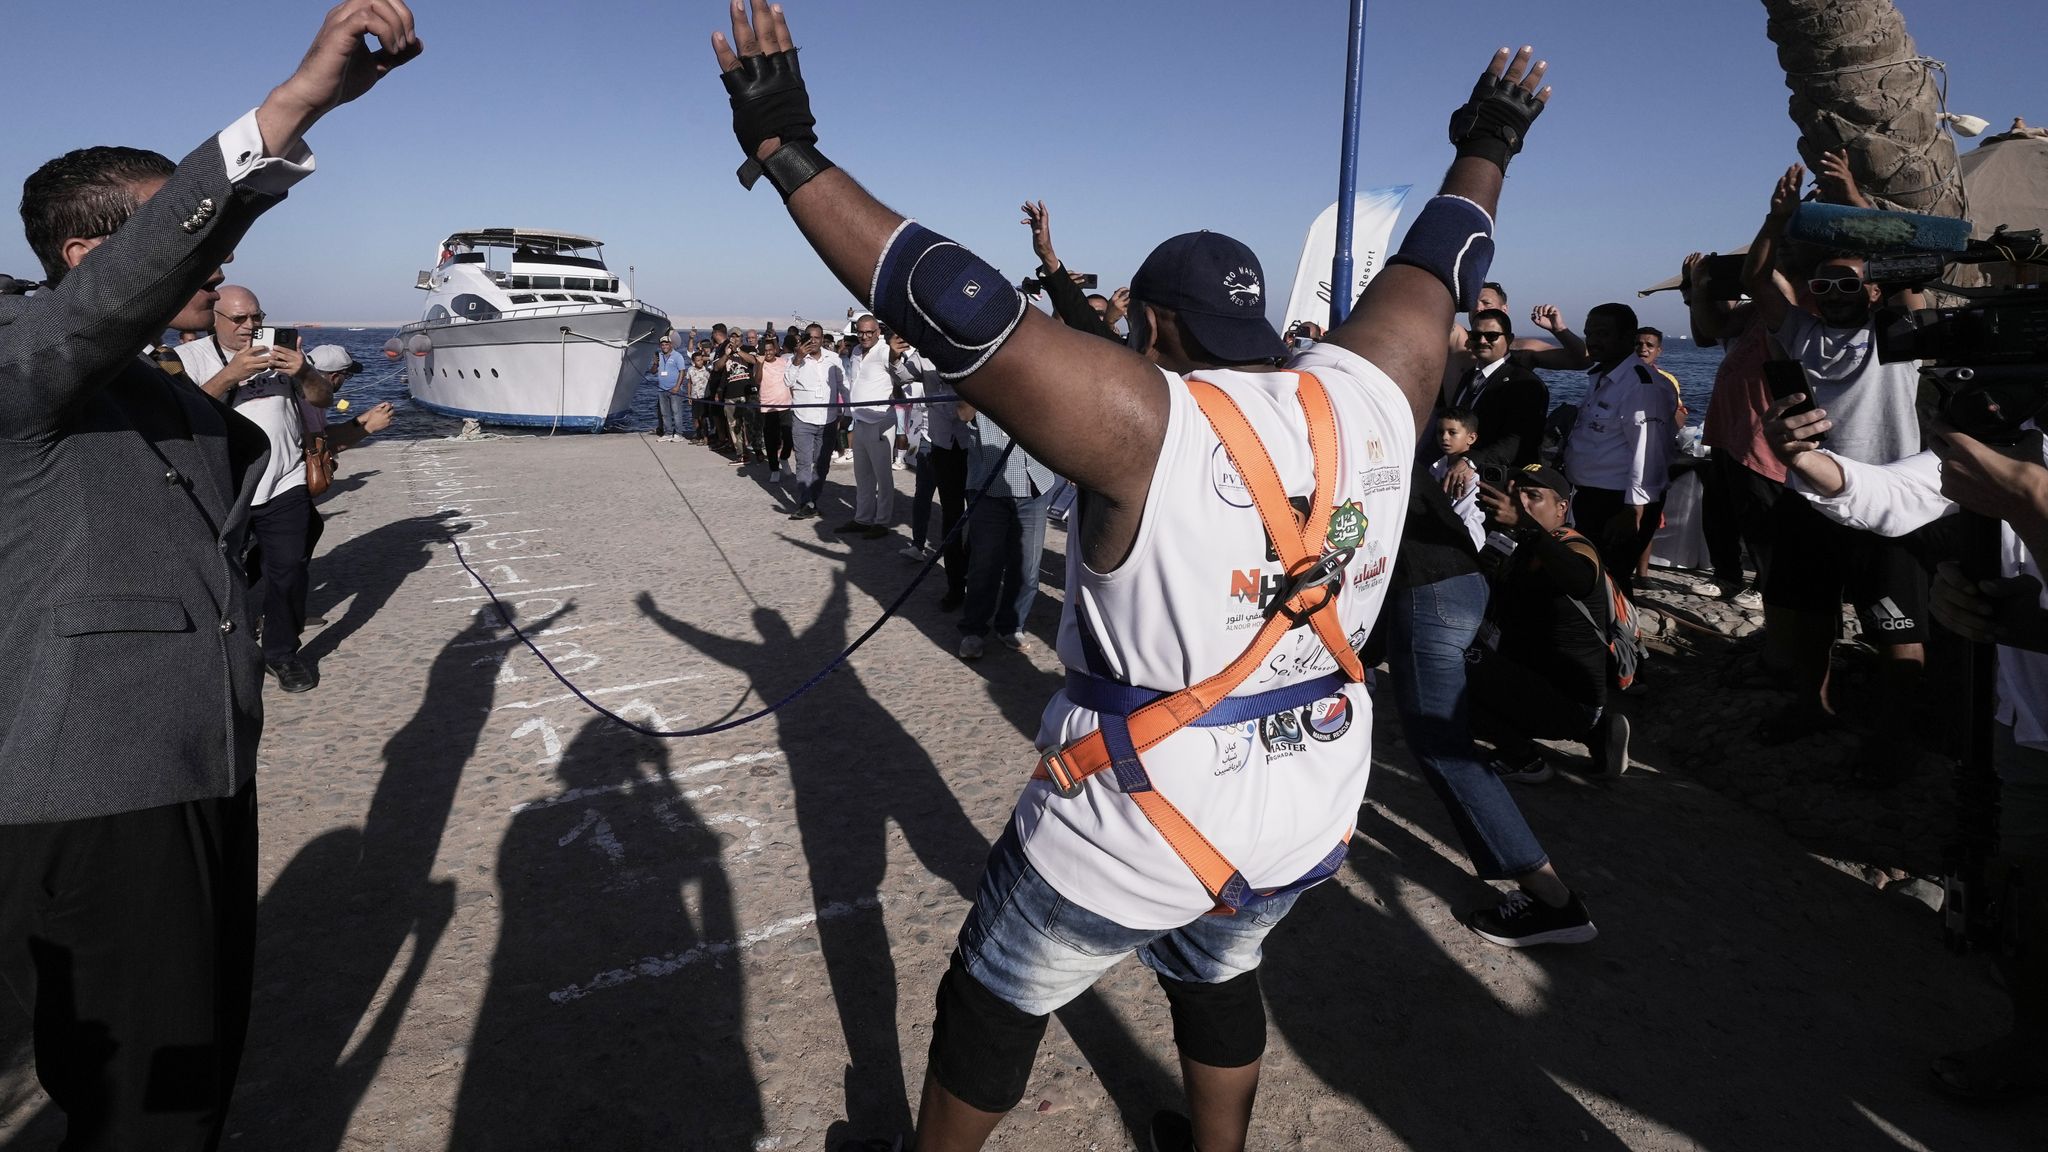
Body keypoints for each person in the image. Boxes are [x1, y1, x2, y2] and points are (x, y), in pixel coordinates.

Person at [710, 7, 1551, 1147]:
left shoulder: (1149, 422)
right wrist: (1489, 138)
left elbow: (954, 305)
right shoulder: (1372, 393)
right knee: (1214, 966)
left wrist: (782, 145)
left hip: (1137, 818)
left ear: (1152, 325)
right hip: (1306, 807)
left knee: (992, 997)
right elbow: (1443, 257)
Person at [0, 4, 418, 1146]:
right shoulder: (19, 353)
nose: (219, 260)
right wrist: (294, 109)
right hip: (95, 786)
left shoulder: (159, 384)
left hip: (196, 765)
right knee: (147, 1110)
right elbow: (83, 322)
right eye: (182, 240)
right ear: (94, 261)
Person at [1766, 398, 2048, 1102]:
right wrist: (1806, 462)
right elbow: (1893, 496)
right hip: (2029, 724)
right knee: (2027, 898)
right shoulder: (2024, 434)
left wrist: (2033, 504)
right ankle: (2033, 1043)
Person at [1742, 163, 1928, 764]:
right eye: (1822, 286)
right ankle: (1810, 708)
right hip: (1812, 499)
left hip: (1889, 505)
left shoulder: (1900, 331)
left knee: (1897, 631)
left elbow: (1903, 259)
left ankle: (1895, 739)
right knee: (1808, 617)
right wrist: (1776, 219)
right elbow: (1757, 280)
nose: (1834, 294)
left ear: (1875, 290)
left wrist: (1851, 199)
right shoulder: (1802, 334)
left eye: (1848, 284)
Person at [1379, 462, 1598, 946]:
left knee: (1441, 743)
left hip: (1427, 589)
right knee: (1444, 727)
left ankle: (1551, 900)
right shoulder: (1375, 417)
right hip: (1454, 581)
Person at [176, 287, 325, 692]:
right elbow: (179, 417)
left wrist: (305, 372)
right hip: (223, 487)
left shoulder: (284, 352)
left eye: (256, 317)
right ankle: (227, 650)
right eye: (239, 319)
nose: (251, 327)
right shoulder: (188, 359)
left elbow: (323, 398)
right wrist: (230, 375)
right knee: (221, 576)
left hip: (284, 479)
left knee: (290, 569)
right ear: (215, 318)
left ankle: (282, 654)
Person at [1473, 465, 1632, 783]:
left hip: (1570, 701)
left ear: (1562, 508)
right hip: (1544, 689)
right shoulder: (1518, 546)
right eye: (1518, 495)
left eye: (1534, 497)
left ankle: (1523, 759)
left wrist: (1526, 527)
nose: (1523, 504)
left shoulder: (1573, 544)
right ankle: (1599, 735)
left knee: (1455, 664)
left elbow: (1580, 580)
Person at [1556, 302, 1677, 594]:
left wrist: (1632, 511)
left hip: (1618, 504)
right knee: (1587, 578)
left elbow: (1649, 452)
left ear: (1627, 338)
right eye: (1589, 333)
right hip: (1588, 496)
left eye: (1603, 333)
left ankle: (1618, 638)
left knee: (1611, 583)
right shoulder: (1602, 378)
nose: (1593, 341)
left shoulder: (1641, 386)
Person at [1686, 250, 1780, 609]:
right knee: (1720, 510)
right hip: (1728, 426)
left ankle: (1767, 583)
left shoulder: (1793, 304)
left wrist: (1761, 275)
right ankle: (1726, 575)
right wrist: (1696, 290)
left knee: (1761, 515)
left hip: (1762, 431)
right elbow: (1710, 331)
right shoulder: (1750, 312)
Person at [954, 407, 1055, 661]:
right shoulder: (979, 377)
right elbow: (964, 413)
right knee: (985, 566)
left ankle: (1011, 626)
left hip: (1033, 486)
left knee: (1028, 569)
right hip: (988, 488)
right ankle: (974, 630)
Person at [1441, 307, 1550, 484]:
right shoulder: (1469, 376)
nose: (1482, 341)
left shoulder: (1525, 383)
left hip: (1500, 481)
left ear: (1509, 339)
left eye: (1491, 336)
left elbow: (1519, 439)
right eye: (1476, 336)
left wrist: (1471, 461)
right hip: (1457, 475)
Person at [840, 313, 898, 537]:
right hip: (860, 421)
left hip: (880, 421)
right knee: (862, 475)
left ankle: (882, 521)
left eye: (869, 332)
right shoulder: (855, 352)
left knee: (883, 476)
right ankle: (863, 518)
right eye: (861, 332)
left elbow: (900, 373)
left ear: (878, 332)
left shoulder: (885, 351)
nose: (864, 336)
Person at [785, 321, 846, 520]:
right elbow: (787, 381)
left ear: (822, 339)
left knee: (822, 465)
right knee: (803, 463)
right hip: (803, 420)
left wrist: (847, 410)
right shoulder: (795, 359)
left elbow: (843, 386)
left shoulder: (834, 358)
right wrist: (798, 358)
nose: (813, 341)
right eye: (809, 337)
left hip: (828, 420)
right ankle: (806, 502)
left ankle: (813, 500)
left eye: (817, 337)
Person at [1433, 407, 1487, 549]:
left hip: (1466, 541)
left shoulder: (1472, 476)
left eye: (1452, 433)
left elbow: (1465, 515)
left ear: (1471, 438)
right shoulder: (1436, 467)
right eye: (1440, 432)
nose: (1444, 437)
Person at [756, 333, 793, 478]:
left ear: (775, 349)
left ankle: (784, 458)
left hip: (785, 405)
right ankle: (774, 469)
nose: (768, 353)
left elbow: (790, 381)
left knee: (789, 439)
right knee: (771, 440)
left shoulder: (783, 362)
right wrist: (759, 364)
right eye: (765, 351)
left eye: (771, 350)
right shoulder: (760, 363)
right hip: (768, 407)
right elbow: (758, 380)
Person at [652, 334, 688, 442]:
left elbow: (682, 371)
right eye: (662, 344)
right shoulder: (659, 356)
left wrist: (677, 387)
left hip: (674, 389)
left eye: (666, 344)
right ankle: (667, 433)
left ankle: (679, 434)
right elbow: (653, 371)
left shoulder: (677, 356)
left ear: (670, 344)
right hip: (661, 390)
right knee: (664, 413)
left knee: (676, 412)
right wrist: (655, 363)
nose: (664, 346)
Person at [685, 347, 712, 443]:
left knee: (703, 418)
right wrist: (688, 395)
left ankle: (706, 437)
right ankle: (698, 435)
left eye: (701, 360)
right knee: (695, 418)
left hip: (704, 397)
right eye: (697, 361)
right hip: (694, 396)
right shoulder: (690, 370)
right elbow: (689, 383)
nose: (700, 362)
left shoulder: (707, 371)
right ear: (693, 361)